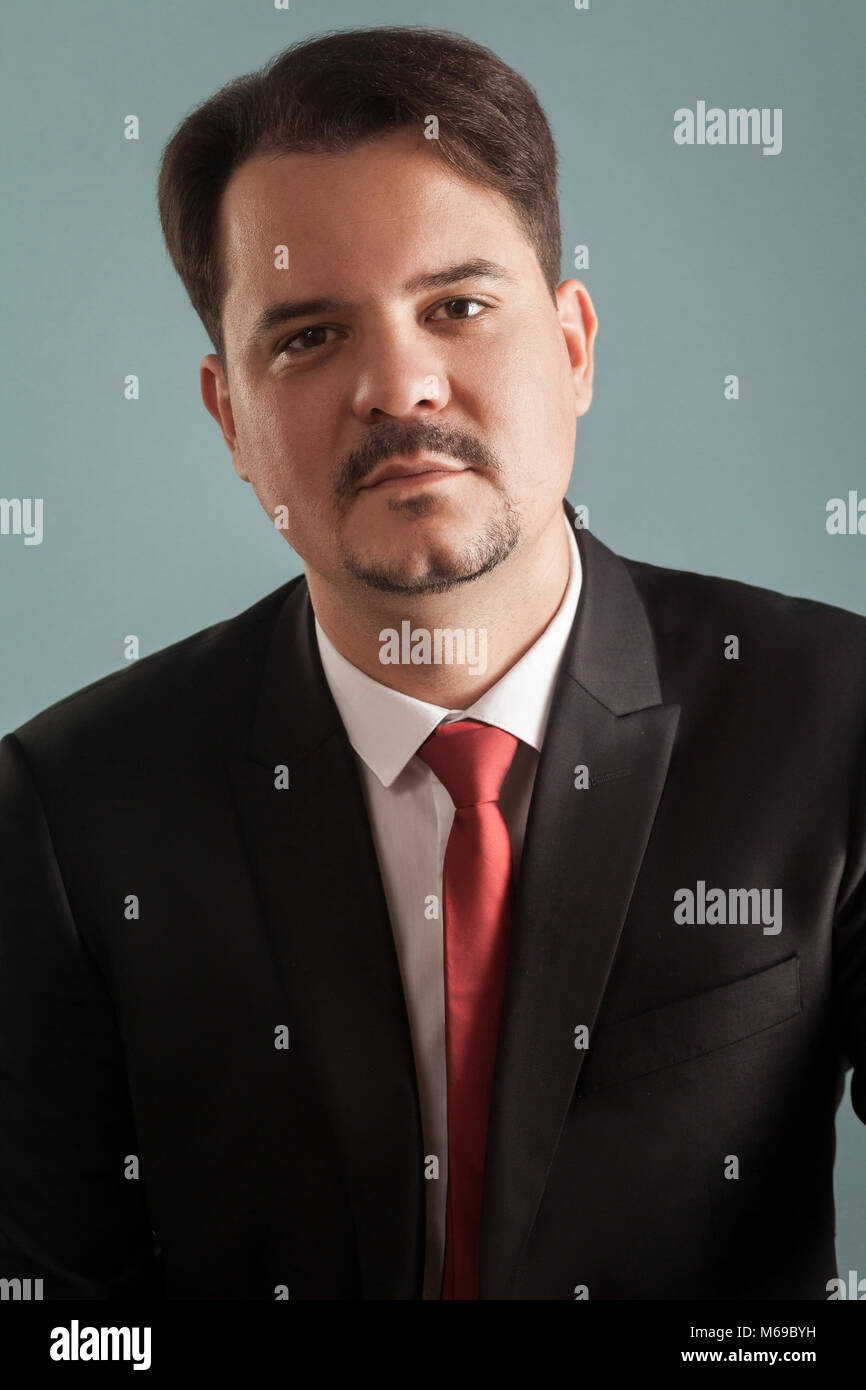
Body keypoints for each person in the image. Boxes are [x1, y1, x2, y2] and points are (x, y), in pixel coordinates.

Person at [1, 25, 864, 1302]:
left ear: (572, 346)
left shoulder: (830, 717)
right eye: (306, 337)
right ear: (228, 416)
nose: (399, 387)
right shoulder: (71, 811)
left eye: (456, 306)